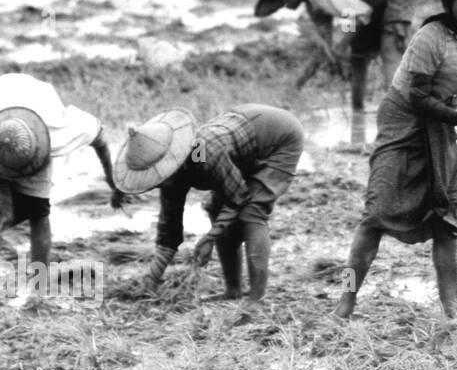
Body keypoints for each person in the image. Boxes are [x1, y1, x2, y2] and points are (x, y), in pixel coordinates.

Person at [333, 0, 457, 325]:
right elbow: (417, 98)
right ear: (446, 3)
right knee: (375, 216)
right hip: (404, 122)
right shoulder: (430, 37)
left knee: (447, 219)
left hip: (441, 122)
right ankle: (344, 302)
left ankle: (450, 309)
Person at [114, 104, 304, 303]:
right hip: (243, 141)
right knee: (216, 210)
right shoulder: (170, 178)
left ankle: (256, 298)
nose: (158, 184)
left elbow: (238, 196)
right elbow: (168, 229)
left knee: (252, 212)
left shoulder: (202, 154)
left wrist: (210, 238)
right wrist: (152, 280)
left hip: (279, 136)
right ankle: (233, 291)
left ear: (174, 160)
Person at [254, 0, 425, 142]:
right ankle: (357, 116)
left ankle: (401, 123)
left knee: (391, 51)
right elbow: (323, 50)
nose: (284, 6)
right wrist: (296, 86)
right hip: (367, 2)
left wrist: (342, 44)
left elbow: (356, 13)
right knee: (358, 56)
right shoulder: (314, 6)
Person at [0, 73, 124, 283]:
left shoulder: (61, 132)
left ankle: (39, 282)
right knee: (2, 212)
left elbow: (100, 139)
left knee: (38, 211)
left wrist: (113, 181)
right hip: (5, 117)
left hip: (35, 114)